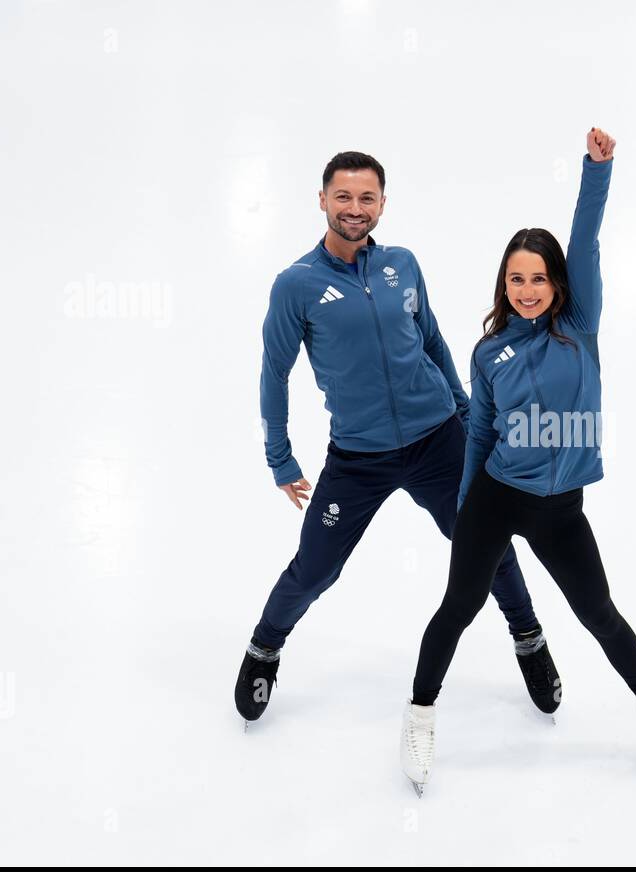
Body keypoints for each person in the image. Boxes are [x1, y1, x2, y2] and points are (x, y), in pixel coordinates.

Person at [399, 128, 636, 793]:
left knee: (599, 614)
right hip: (496, 497)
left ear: (558, 283)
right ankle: (419, 715)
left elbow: (584, 238)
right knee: (458, 607)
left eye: (539, 277)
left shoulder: (579, 326)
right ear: (504, 282)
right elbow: (479, 433)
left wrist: (597, 169)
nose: (527, 289)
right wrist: (469, 503)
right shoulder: (487, 352)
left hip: (560, 511)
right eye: (515, 278)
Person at [236, 150, 564, 726]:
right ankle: (265, 647)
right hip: (359, 458)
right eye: (343, 196)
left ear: (382, 204)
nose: (355, 209)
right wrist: (280, 458)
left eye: (367, 198)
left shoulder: (403, 265)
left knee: (485, 547)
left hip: (440, 440)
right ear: (322, 201)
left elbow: (432, 340)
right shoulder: (297, 286)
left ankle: (529, 638)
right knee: (315, 568)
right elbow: (273, 373)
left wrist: (466, 415)